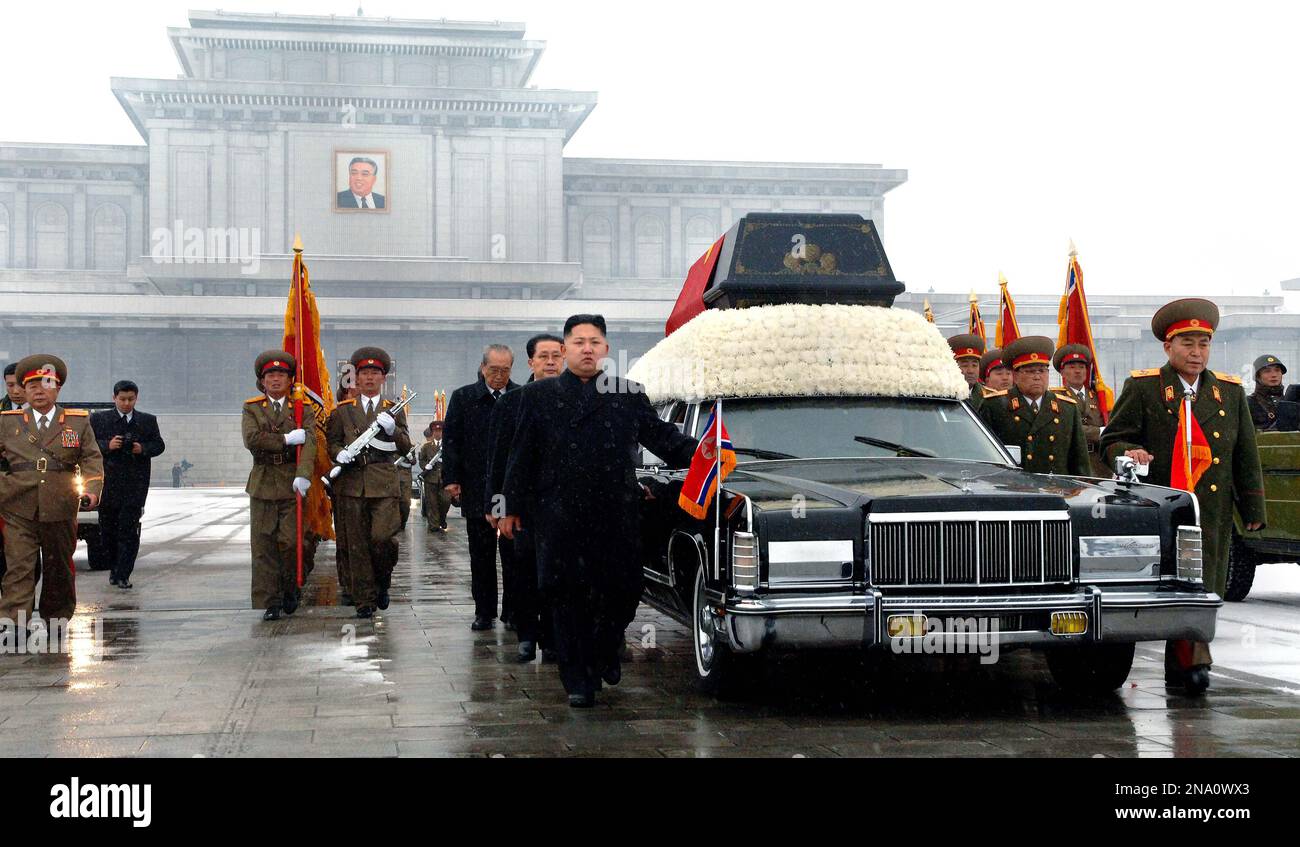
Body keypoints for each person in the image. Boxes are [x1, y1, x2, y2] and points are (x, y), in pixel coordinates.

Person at [499, 315, 697, 707]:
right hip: (558, 514)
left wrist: (702, 452)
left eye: (594, 342)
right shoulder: (538, 398)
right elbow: (520, 455)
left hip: (616, 513)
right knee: (566, 596)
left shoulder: (626, 393)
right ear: (566, 348)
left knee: (623, 590)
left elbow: (662, 438)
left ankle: (606, 650)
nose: (587, 348)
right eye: (578, 342)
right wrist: (507, 506)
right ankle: (578, 681)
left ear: (606, 349)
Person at [1100, 298, 1265, 694]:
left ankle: (1191, 660)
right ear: (1168, 347)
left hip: (1209, 509)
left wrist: (1253, 507)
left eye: (1203, 344)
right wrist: (1128, 452)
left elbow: (1246, 453)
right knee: (1159, 585)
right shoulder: (1144, 388)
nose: (1196, 352)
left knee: (1203, 584)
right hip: (1160, 509)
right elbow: (1112, 439)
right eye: (1187, 343)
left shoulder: (1229, 392)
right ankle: (1126, 659)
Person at [0, 355, 104, 637]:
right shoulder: (7, 423)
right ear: (22, 389)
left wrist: (92, 490)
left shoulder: (77, 422)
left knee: (59, 565)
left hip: (60, 504)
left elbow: (92, 459)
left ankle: (56, 618)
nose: (38, 390)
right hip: (17, 505)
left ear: (57, 388)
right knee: (18, 566)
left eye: (45, 383)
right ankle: (14, 624)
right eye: (30, 385)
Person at [485, 332, 564, 663]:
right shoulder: (512, 402)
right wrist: (498, 507)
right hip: (521, 505)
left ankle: (553, 639)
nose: (550, 362)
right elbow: (498, 458)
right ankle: (527, 636)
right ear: (530, 362)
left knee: (558, 575)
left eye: (556, 356)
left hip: (561, 506)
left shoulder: (575, 398)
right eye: (543, 356)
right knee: (523, 571)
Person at [326, 347, 411, 619]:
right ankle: (365, 600)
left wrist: (392, 430)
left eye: (376, 373)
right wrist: (338, 453)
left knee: (383, 539)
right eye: (365, 373)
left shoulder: (392, 410)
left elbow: (406, 446)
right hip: (351, 484)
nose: (370, 378)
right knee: (357, 545)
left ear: (383, 378)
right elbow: (332, 441)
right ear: (356, 378)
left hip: (383, 483)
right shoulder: (342, 411)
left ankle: (382, 580)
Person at [442, 345, 520, 631]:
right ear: (483, 367)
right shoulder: (464, 398)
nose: (499, 376)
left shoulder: (520, 396)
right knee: (481, 554)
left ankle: (513, 611)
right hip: (477, 485)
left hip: (510, 488)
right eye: (494, 370)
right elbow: (451, 442)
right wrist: (452, 478)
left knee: (512, 554)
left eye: (505, 370)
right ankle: (483, 611)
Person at [242, 351, 318, 621]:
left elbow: (310, 442)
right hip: (263, 480)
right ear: (262, 381)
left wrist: (304, 473)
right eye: (270, 375)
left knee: (291, 542)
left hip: (291, 480)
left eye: (281, 375)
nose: (275, 379)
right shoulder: (252, 407)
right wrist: (286, 439)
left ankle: (290, 587)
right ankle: (269, 600)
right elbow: (252, 439)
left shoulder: (301, 408)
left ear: (290, 380)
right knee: (263, 545)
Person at [978, 336, 1091, 476]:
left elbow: (1080, 462)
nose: (1037, 377)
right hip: (1013, 489)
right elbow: (983, 457)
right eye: (1030, 371)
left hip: (1056, 490)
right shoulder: (995, 406)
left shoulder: (1067, 408)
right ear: (1016, 375)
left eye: (1042, 371)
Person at [90, 380, 166, 590]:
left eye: (130, 399)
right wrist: (108, 445)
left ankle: (124, 573)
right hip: (108, 484)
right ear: (114, 398)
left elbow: (159, 445)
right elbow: (88, 445)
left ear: (136, 398)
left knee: (129, 530)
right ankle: (114, 568)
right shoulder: (99, 419)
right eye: (122, 399)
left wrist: (142, 448)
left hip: (135, 484)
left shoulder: (147, 420)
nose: (126, 403)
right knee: (108, 531)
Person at [1050, 344, 1109, 476]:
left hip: (1098, 463)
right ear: (1062, 372)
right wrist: (1099, 432)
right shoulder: (1056, 397)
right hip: (1071, 460)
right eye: (1072, 367)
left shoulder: (1099, 396)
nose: (1078, 371)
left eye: (1082, 367)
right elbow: (1066, 427)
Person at [331, 377, 360, 605]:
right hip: (343, 486)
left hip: (370, 486)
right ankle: (349, 584)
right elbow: (329, 445)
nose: (355, 394)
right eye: (351, 391)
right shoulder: (338, 416)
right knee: (346, 538)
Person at [417, 422, 451, 532]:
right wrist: (425, 466)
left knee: (445, 501)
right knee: (431, 503)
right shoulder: (426, 447)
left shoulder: (448, 446)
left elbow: (454, 460)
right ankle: (434, 525)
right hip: (430, 479)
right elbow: (421, 460)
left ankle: (442, 519)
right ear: (432, 432)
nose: (438, 433)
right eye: (435, 431)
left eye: (440, 431)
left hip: (444, 479)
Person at [1247, 354, 1287, 431]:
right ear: (1258, 377)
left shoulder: (1290, 402)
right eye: (1267, 371)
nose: (1274, 375)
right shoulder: (1248, 403)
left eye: (1277, 370)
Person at [948, 333, 986, 410]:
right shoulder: (944, 394)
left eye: (974, 365)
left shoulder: (989, 397)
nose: (971, 371)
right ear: (953, 367)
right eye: (965, 365)